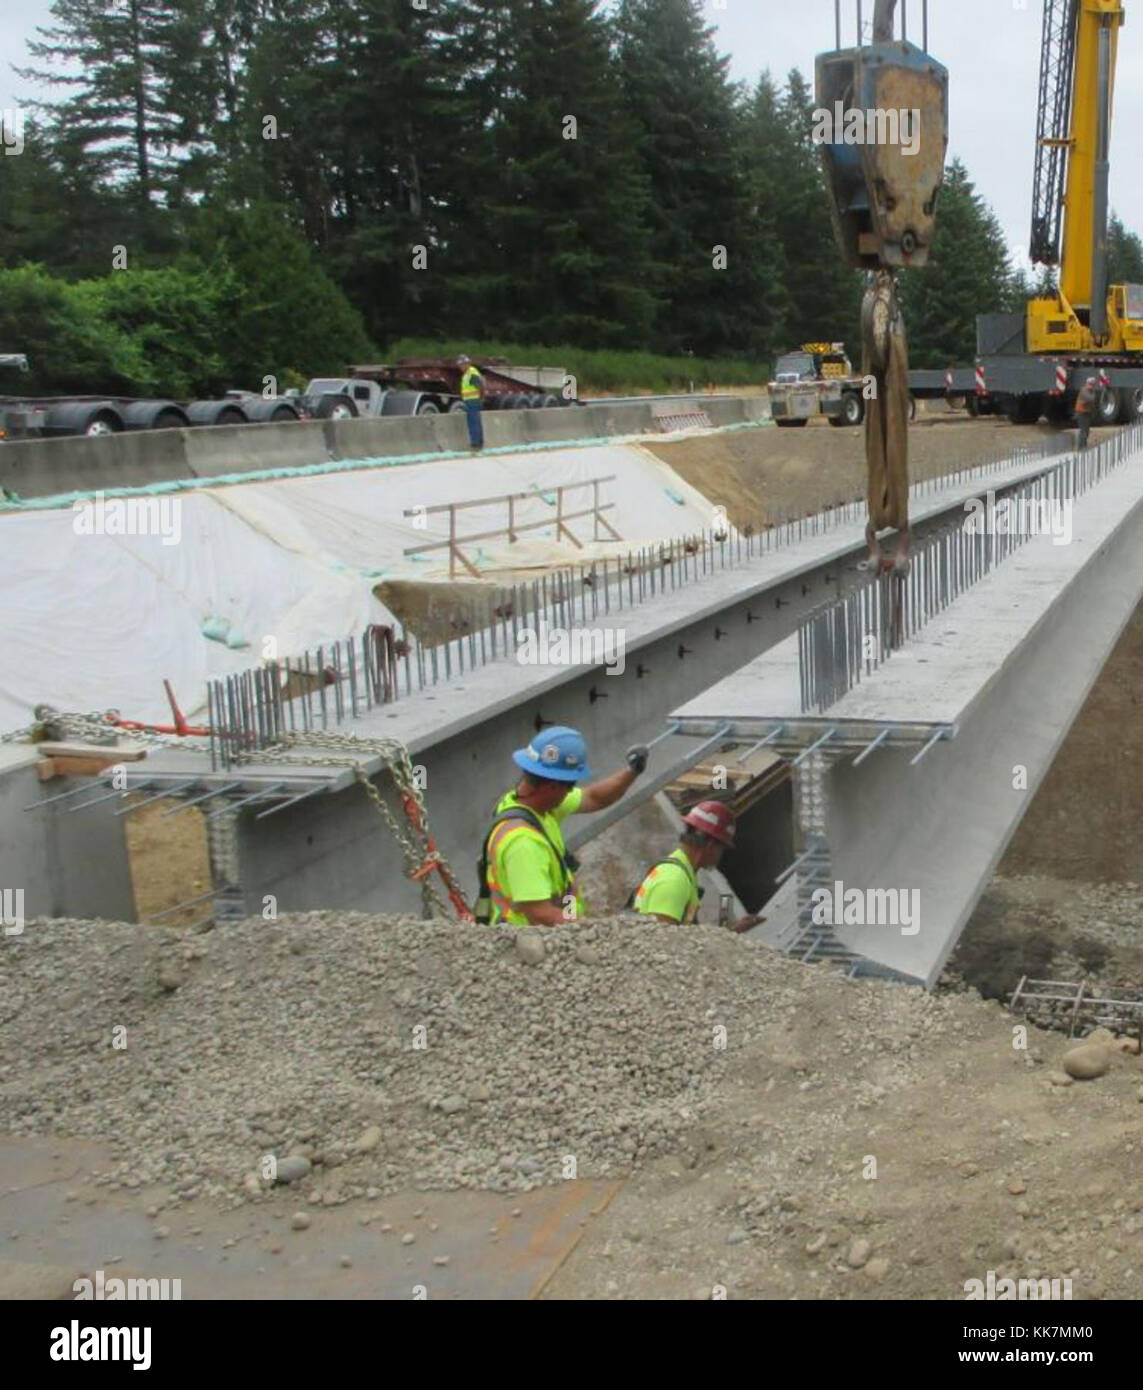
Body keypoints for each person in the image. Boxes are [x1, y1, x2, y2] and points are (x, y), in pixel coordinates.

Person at [478, 726, 649, 926]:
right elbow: (539, 913)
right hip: (533, 944)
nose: (571, 792)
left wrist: (632, 772)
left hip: (563, 921)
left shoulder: (535, 806)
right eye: (569, 786)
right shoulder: (523, 844)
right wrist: (593, 931)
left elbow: (593, 798)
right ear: (553, 787)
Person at [630, 800, 763, 933]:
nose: (720, 856)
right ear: (711, 846)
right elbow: (663, 944)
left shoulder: (679, 871)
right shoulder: (674, 880)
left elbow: (686, 941)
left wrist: (733, 932)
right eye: (722, 849)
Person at [457, 354, 484, 450]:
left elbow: (480, 385)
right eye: (459, 365)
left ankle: (476, 443)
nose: (460, 367)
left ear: (466, 364)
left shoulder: (471, 373)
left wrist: (481, 398)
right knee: (474, 421)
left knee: (474, 422)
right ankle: (478, 442)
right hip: (469, 401)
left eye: (462, 364)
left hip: (473, 401)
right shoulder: (466, 374)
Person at [1075, 377, 1098, 450]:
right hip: (1081, 413)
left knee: (1086, 431)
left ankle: (1084, 446)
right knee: (1083, 431)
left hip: (1087, 413)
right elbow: (1090, 399)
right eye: (1090, 384)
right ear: (1087, 384)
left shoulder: (1090, 391)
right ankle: (1081, 447)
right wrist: (1094, 393)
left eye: (1093, 384)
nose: (1092, 386)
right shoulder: (1084, 391)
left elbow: (1092, 404)